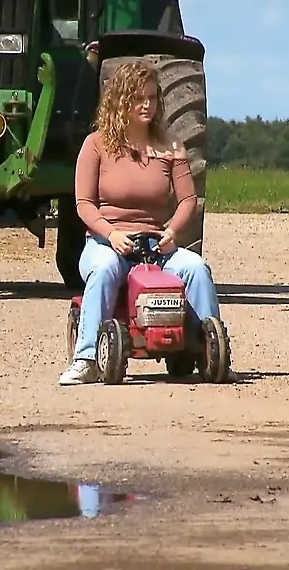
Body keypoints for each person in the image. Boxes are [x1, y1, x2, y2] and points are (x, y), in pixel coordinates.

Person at [58, 59, 224, 386]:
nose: (146, 105)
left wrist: (173, 232)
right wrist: (111, 233)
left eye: (151, 97)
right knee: (105, 269)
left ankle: (209, 351)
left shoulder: (170, 145)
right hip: (107, 242)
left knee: (196, 268)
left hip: (155, 246)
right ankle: (87, 358)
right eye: (138, 98)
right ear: (120, 100)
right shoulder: (96, 145)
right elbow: (84, 205)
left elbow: (188, 200)